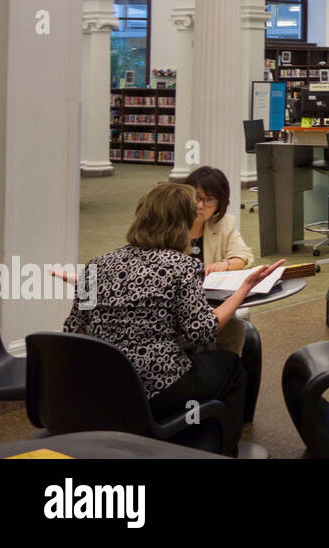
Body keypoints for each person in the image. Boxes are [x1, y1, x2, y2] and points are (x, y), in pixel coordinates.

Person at [62, 182, 284, 455]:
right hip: (158, 387)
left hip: (101, 384)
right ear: (182, 224)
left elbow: (74, 329)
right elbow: (202, 332)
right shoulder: (182, 265)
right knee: (231, 367)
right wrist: (244, 288)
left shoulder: (96, 264)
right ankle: (221, 450)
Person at [183, 165, 253, 354]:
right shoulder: (171, 225)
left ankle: (226, 369)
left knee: (234, 329)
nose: (200, 205)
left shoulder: (223, 223)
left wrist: (226, 264)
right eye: (196, 197)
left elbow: (244, 256)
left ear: (219, 204)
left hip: (210, 303)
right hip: (176, 304)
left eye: (209, 200)